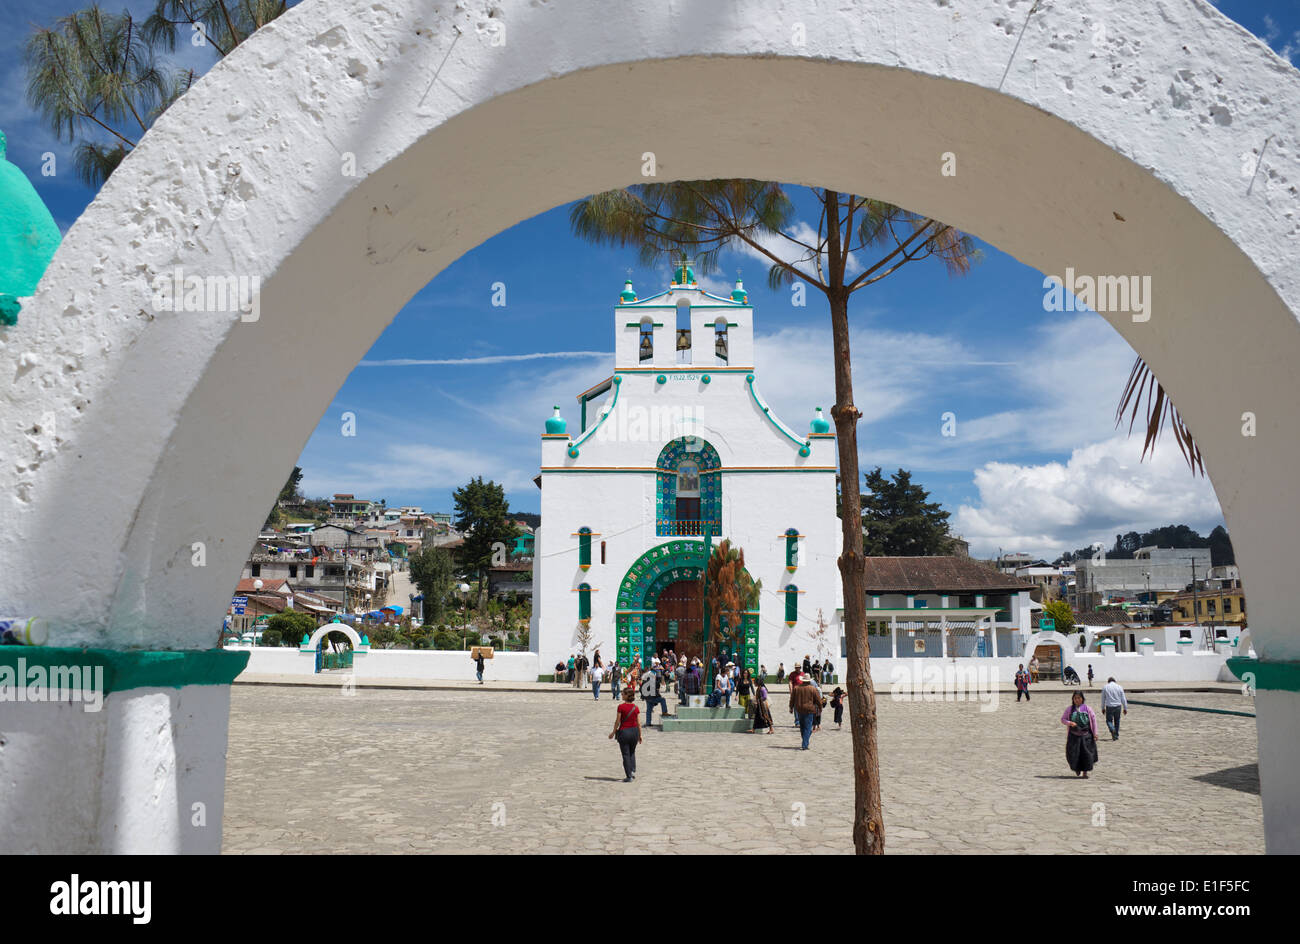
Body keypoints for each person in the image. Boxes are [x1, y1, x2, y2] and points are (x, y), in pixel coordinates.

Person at [1062, 691, 1099, 778]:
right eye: (1075, 698)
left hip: (1086, 736)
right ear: (1073, 699)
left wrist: (1095, 733)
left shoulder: (1088, 709)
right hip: (1073, 736)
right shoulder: (1069, 709)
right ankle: (1076, 768)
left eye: (1079, 698)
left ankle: (1085, 772)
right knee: (1074, 754)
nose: (1077, 700)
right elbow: (1063, 719)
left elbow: (1093, 721)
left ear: (1082, 699)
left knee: (1086, 754)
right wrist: (1070, 723)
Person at [609, 688, 643, 782]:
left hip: (624, 732)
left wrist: (613, 732)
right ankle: (632, 770)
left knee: (626, 754)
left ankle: (629, 776)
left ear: (627, 696)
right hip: (634, 732)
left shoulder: (621, 707)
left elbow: (617, 721)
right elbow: (639, 723)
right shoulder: (635, 708)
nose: (622, 695)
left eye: (623, 694)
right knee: (632, 752)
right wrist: (640, 735)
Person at [790, 673, 821, 749]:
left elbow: (792, 699)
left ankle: (805, 740)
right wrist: (820, 708)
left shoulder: (796, 688)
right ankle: (804, 744)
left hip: (799, 709)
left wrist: (791, 707)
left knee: (803, 727)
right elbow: (818, 700)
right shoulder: (813, 689)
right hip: (809, 710)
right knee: (807, 728)